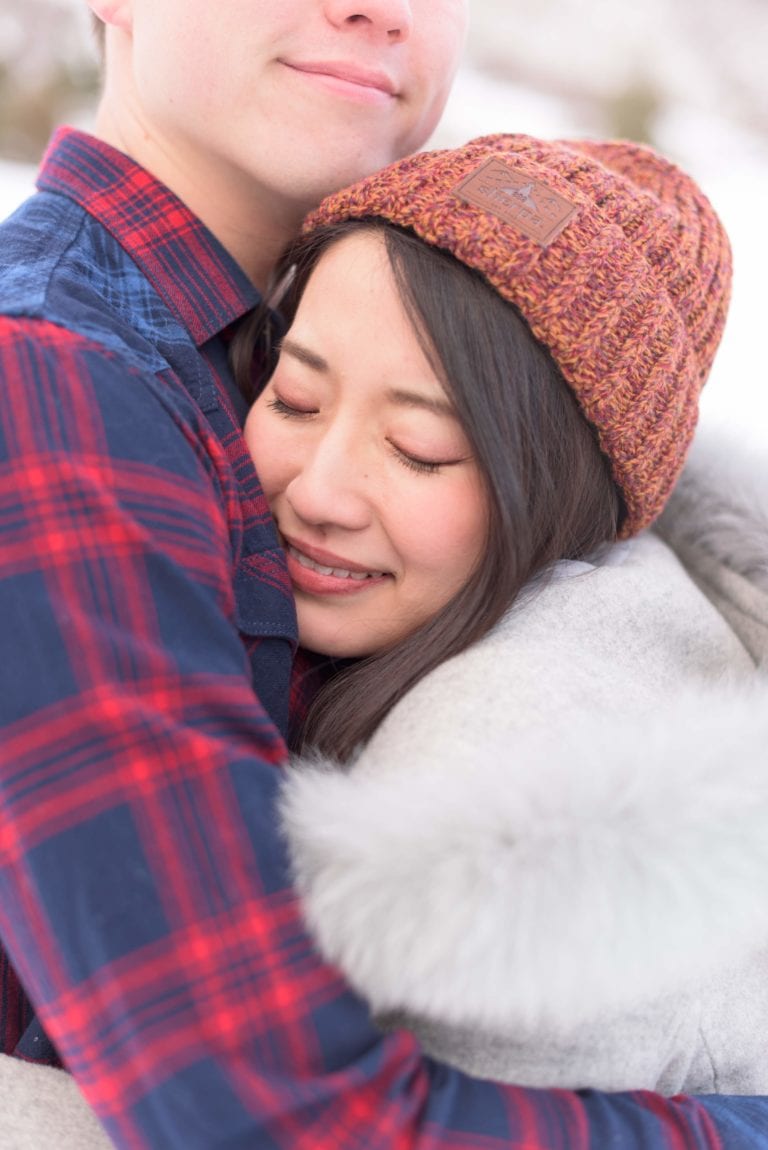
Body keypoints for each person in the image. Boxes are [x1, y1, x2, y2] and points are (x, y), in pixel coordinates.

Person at [0, 0, 765, 1143]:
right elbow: (269, 1117)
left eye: (422, 446)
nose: (376, 7)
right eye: (299, 399)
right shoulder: (57, 389)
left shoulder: (227, 355)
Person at [239, 133, 768, 1094]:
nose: (319, 491)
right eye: (297, 397)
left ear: (564, 494)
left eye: (420, 449)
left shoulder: (513, 802)